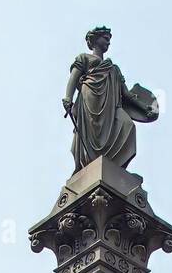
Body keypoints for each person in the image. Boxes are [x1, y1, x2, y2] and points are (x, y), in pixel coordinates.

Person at [62, 27, 158, 173]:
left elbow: (126, 94)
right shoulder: (84, 58)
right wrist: (68, 97)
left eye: (109, 39)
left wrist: (145, 108)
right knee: (90, 132)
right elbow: (74, 78)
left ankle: (114, 170)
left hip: (112, 106)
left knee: (128, 126)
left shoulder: (114, 69)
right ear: (94, 39)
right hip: (91, 99)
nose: (108, 42)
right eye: (105, 38)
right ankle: (90, 167)